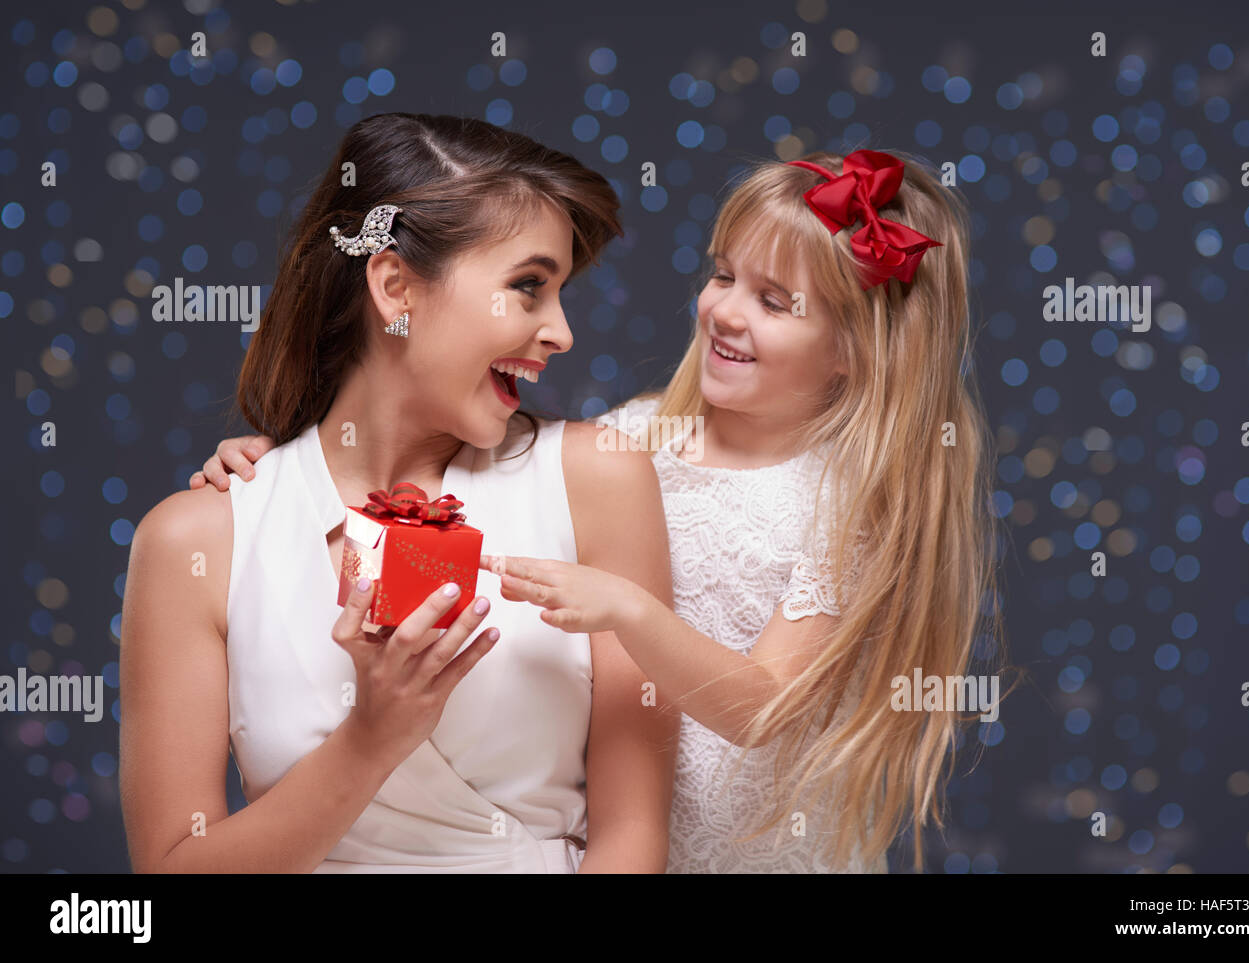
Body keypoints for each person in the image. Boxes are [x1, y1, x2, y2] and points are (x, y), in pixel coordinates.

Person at [193, 148, 1013, 873]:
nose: (724, 310)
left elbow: (765, 707)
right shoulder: (630, 439)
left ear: (853, 350)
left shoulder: (847, 509)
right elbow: (498, 464)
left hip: (754, 852)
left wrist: (629, 609)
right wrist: (286, 474)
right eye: (723, 275)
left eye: (775, 301)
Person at [119, 113, 678, 874]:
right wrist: (372, 738)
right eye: (528, 287)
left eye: (561, 293)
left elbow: (634, 835)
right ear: (395, 287)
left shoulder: (599, 479)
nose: (561, 332)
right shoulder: (196, 539)